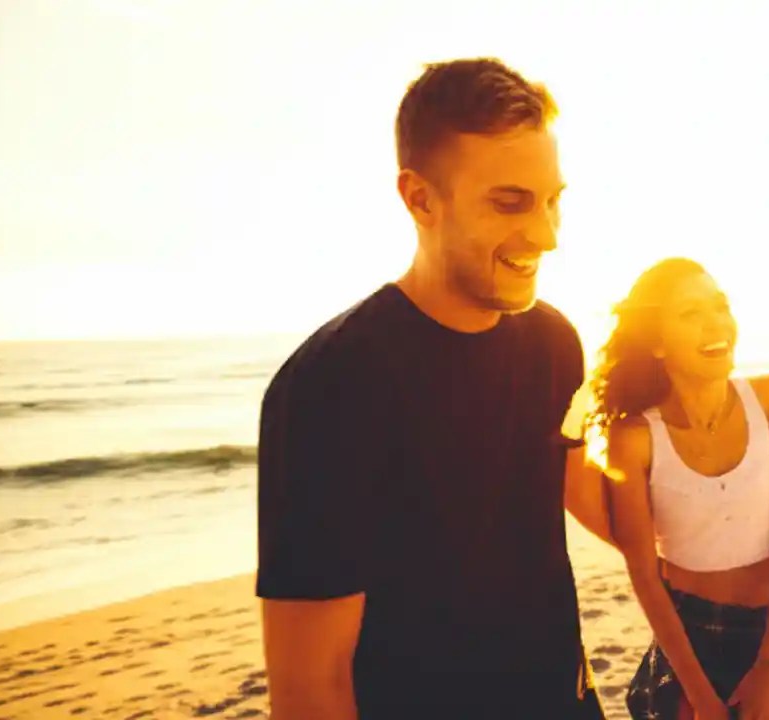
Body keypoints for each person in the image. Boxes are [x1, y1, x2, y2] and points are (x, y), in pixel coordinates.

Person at [256, 57, 610, 719]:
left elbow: (574, 484)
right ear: (420, 199)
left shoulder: (556, 343)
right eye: (510, 202)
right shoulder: (330, 386)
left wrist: (724, 505)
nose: (546, 235)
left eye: (552, 200)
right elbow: (310, 687)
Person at [588, 258, 769, 720]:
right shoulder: (635, 437)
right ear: (658, 343)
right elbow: (644, 575)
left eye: (720, 306)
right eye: (691, 313)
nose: (716, 323)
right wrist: (701, 695)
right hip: (692, 638)